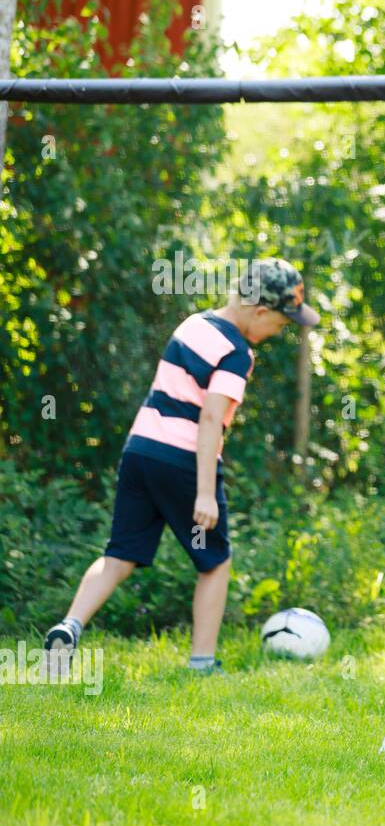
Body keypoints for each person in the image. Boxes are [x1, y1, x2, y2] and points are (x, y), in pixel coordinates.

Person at [43, 258, 320, 674]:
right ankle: (202, 662)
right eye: (280, 325)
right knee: (215, 562)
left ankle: (70, 624)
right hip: (184, 461)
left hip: (140, 451)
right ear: (260, 311)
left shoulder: (193, 324)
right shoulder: (236, 352)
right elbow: (209, 419)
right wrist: (205, 492)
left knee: (119, 555)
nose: (276, 333)